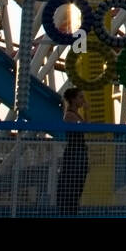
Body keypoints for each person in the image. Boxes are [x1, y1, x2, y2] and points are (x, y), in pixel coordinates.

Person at [55, 88, 88, 216]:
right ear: (73, 99)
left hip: (78, 153)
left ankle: (71, 211)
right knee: (72, 186)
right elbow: (84, 128)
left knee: (76, 186)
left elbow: (87, 126)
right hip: (74, 153)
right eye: (80, 97)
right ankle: (68, 212)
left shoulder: (76, 114)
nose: (83, 100)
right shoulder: (69, 115)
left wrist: (86, 111)